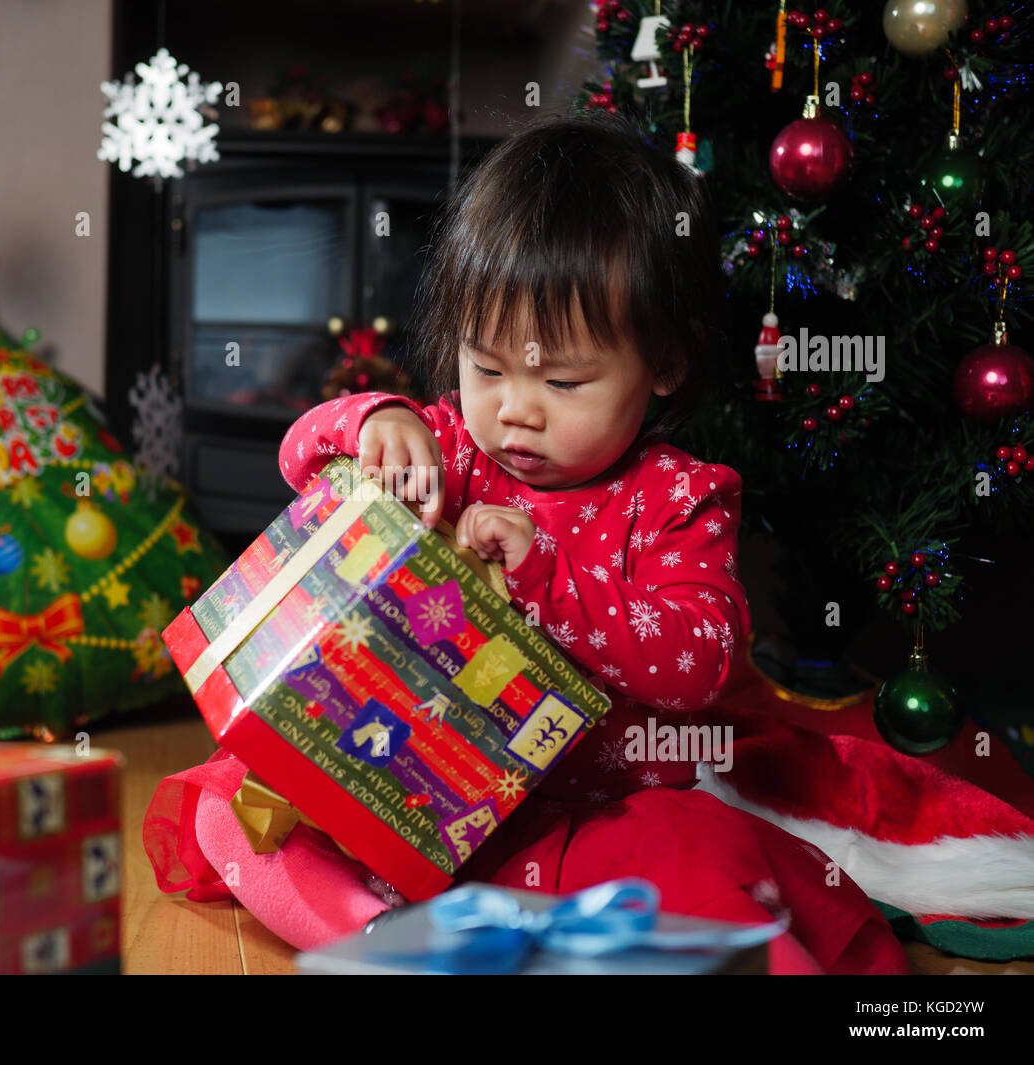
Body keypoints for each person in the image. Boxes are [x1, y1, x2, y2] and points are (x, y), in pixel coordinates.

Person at [144, 113, 911, 974]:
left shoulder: (676, 497)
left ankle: (498, 934)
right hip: (416, 784)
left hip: (599, 812)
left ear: (661, 363)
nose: (517, 408)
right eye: (487, 367)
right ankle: (379, 934)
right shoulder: (452, 449)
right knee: (231, 803)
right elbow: (300, 458)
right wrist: (376, 419)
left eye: (564, 379)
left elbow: (699, 658)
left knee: (707, 862)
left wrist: (546, 578)